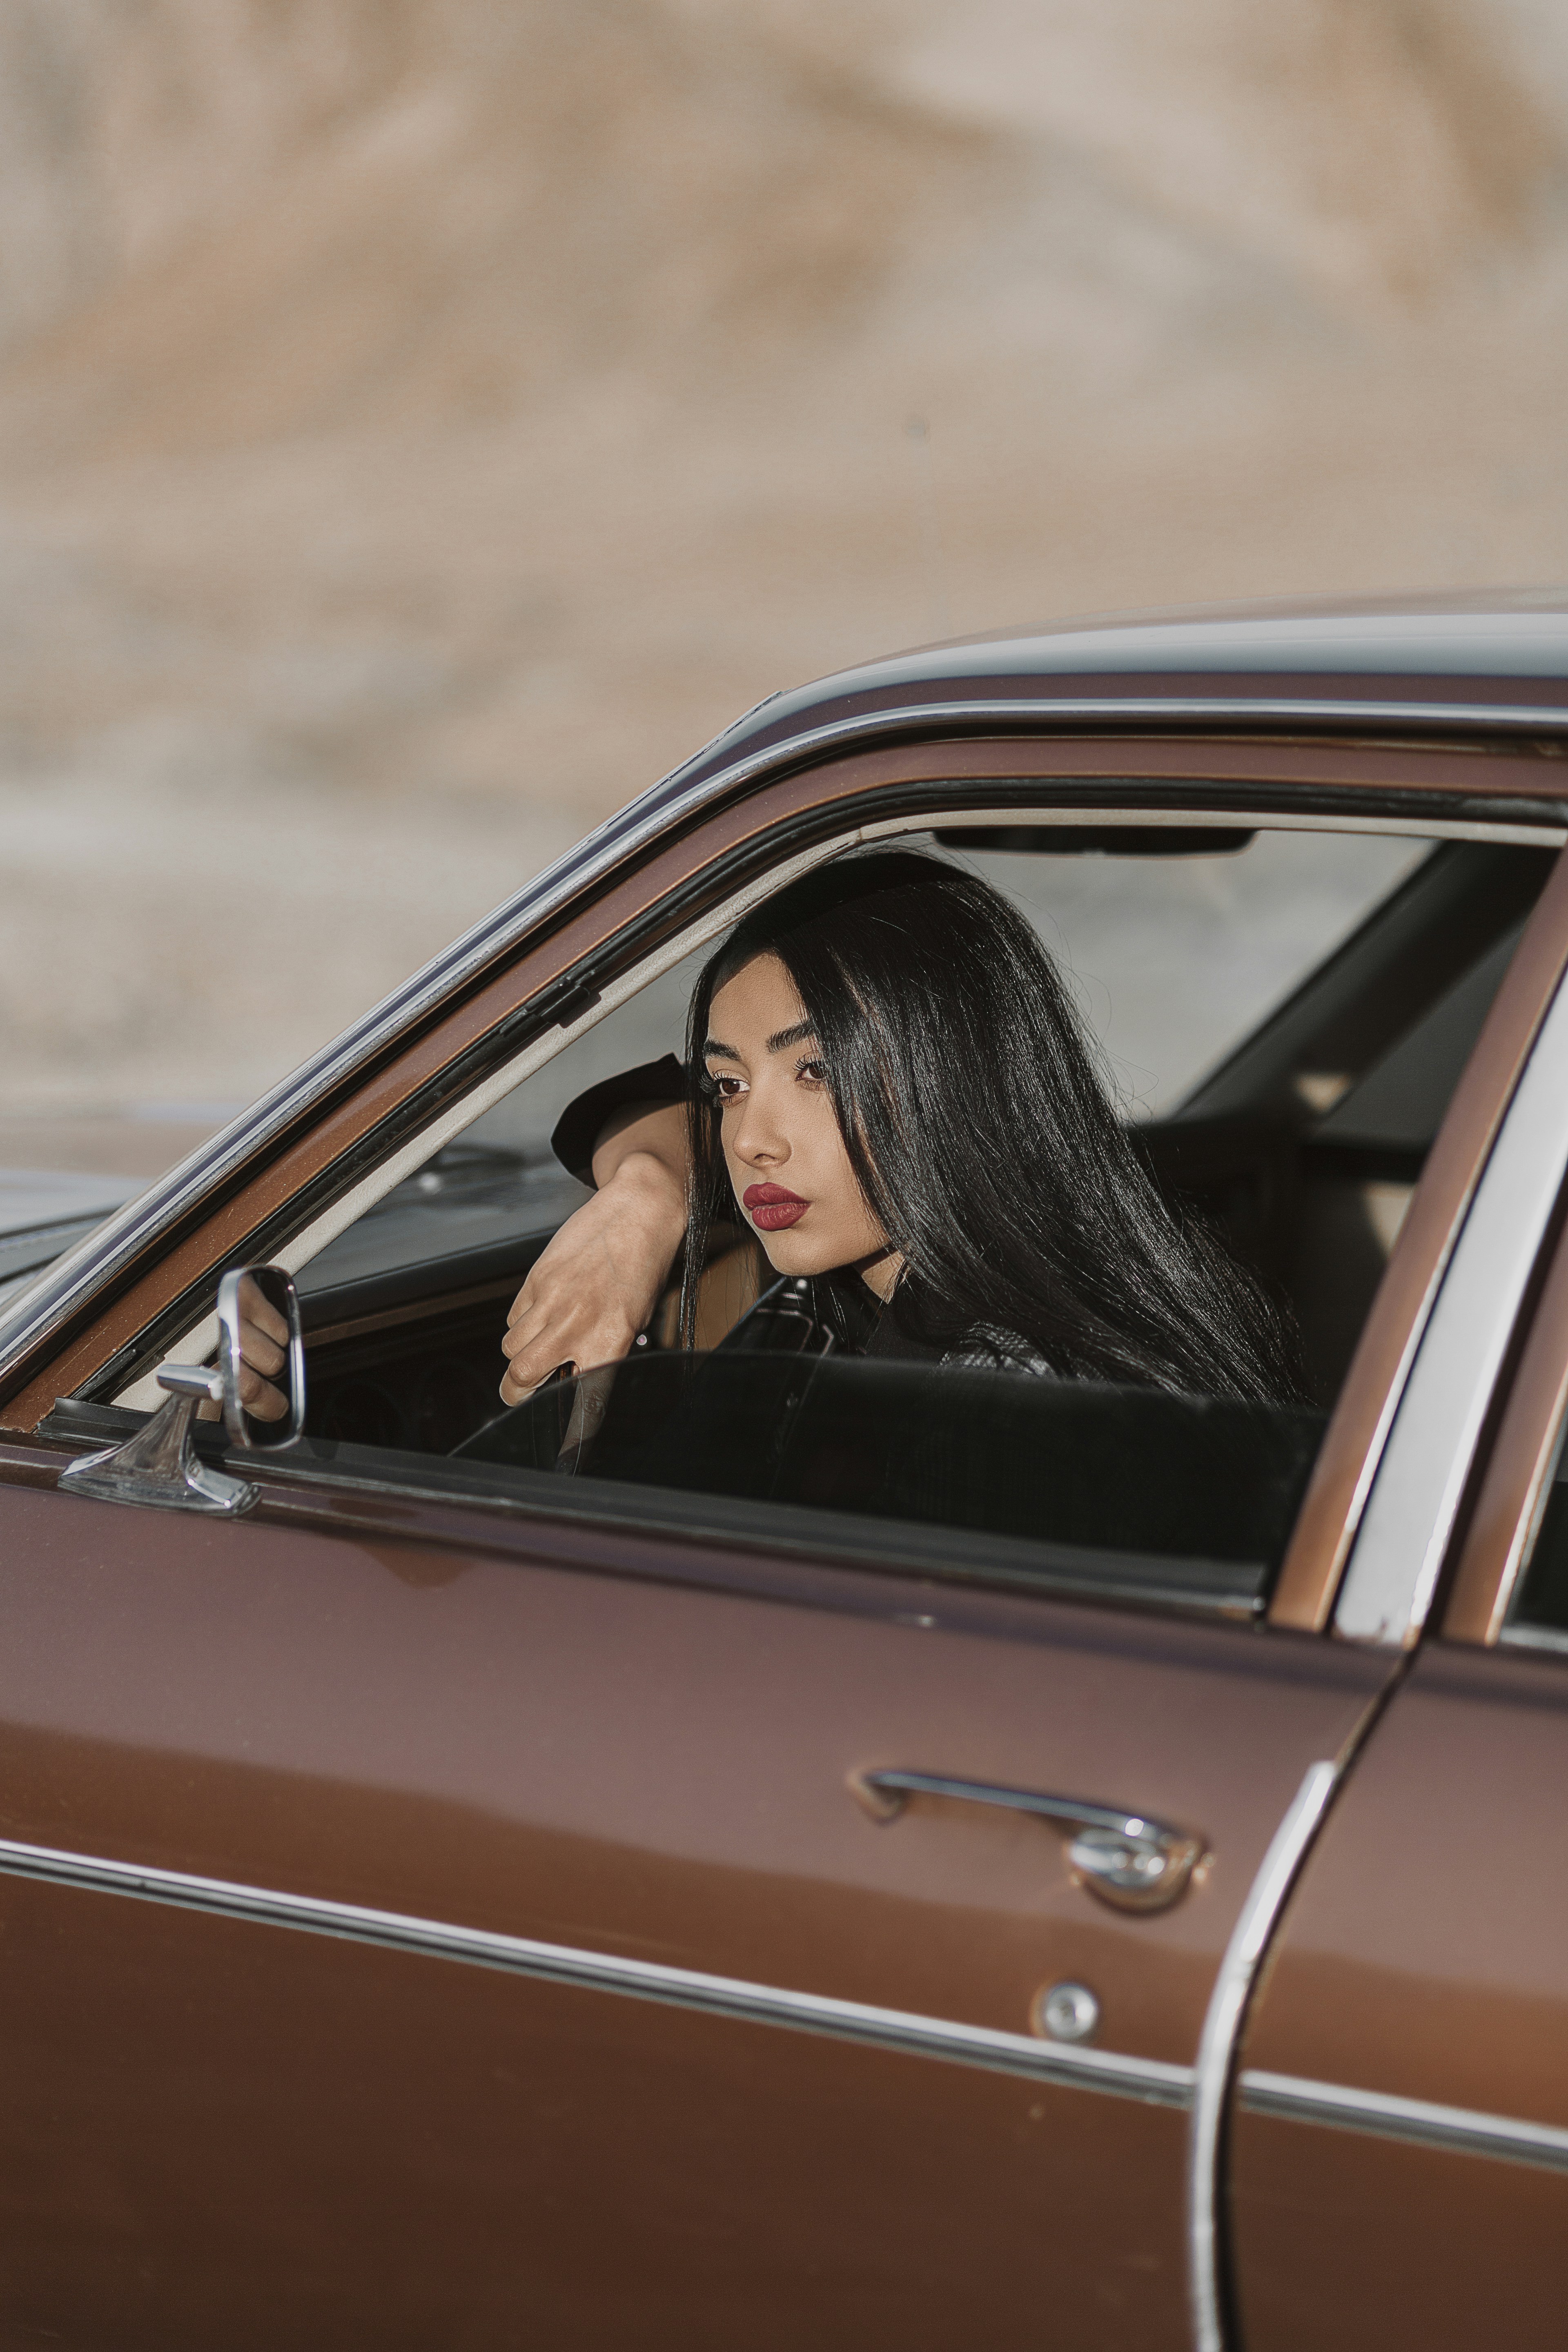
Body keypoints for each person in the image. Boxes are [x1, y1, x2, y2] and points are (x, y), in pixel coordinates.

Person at [499, 849, 1296, 1407]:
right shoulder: (882, 1299)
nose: (748, 1142)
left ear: (957, 1070)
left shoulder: (1004, 1396)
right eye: (730, 1086)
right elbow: (643, 1105)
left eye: (817, 1071)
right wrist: (646, 1195)